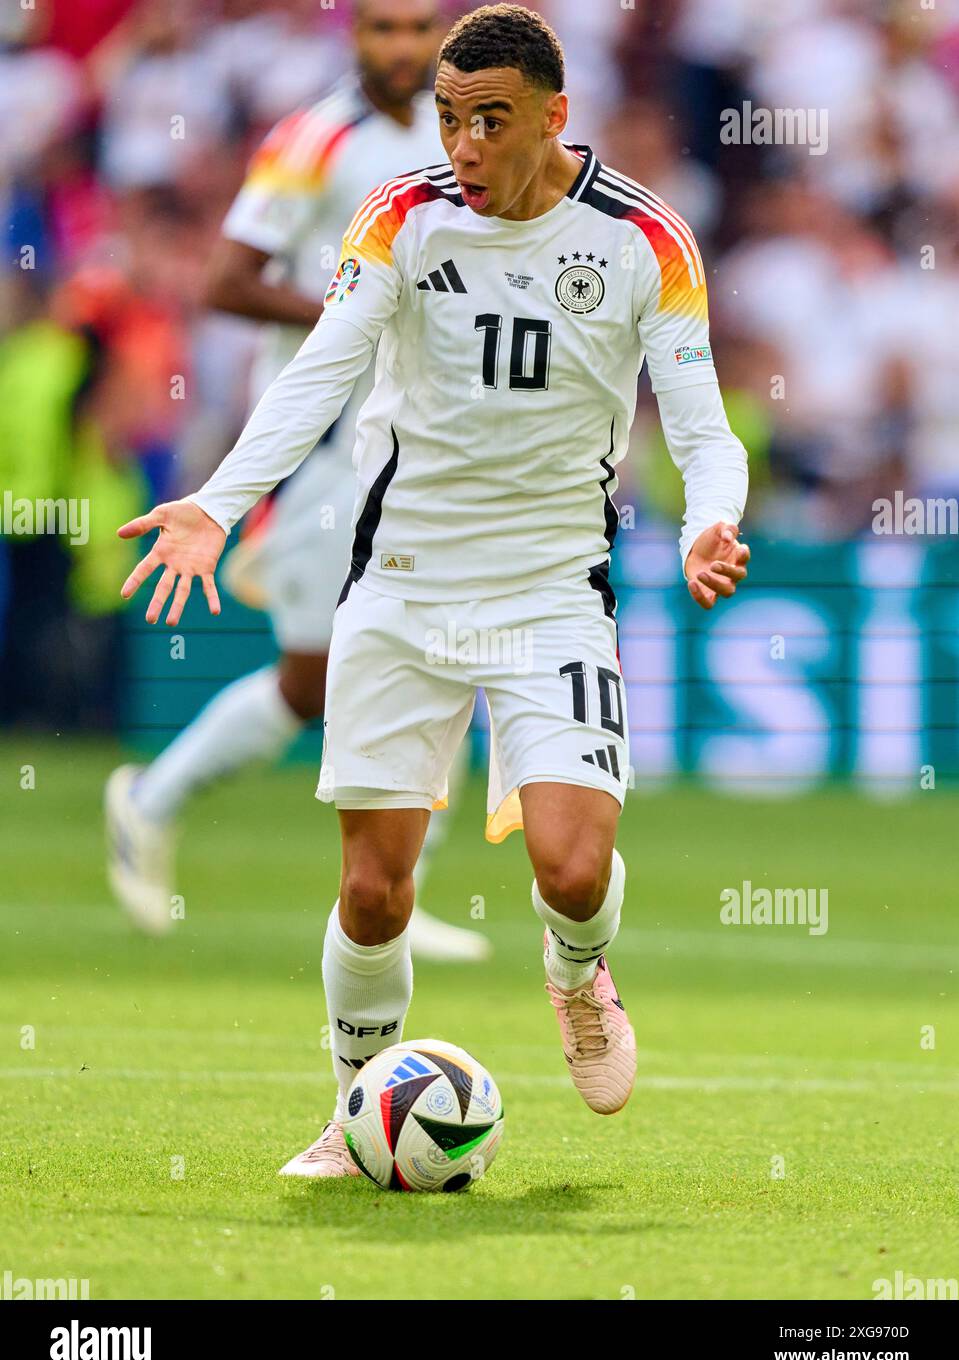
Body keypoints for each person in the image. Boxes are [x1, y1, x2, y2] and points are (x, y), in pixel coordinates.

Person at [117, 4, 750, 1179]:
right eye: (451, 117)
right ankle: (357, 1106)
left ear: (554, 116)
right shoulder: (401, 214)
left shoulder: (641, 241)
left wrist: (714, 518)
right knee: (372, 890)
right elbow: (320, 374)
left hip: (554, 588)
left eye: (489, 120)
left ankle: (575, 975)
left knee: (569, 869)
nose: (460, 141)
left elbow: (704, 429)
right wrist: (218, 499)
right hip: (400, 581)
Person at [106, 0, 489, 962]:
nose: (400, 48)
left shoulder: (466, 143)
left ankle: (404, 889)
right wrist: (360, 307)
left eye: (416, 30)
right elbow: (226, 281)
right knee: (316, 681)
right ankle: (149, 799)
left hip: (421, 444)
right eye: (381, 29)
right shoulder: (314, 139)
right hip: (329, 449)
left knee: (450, 651)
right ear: (351, 37)